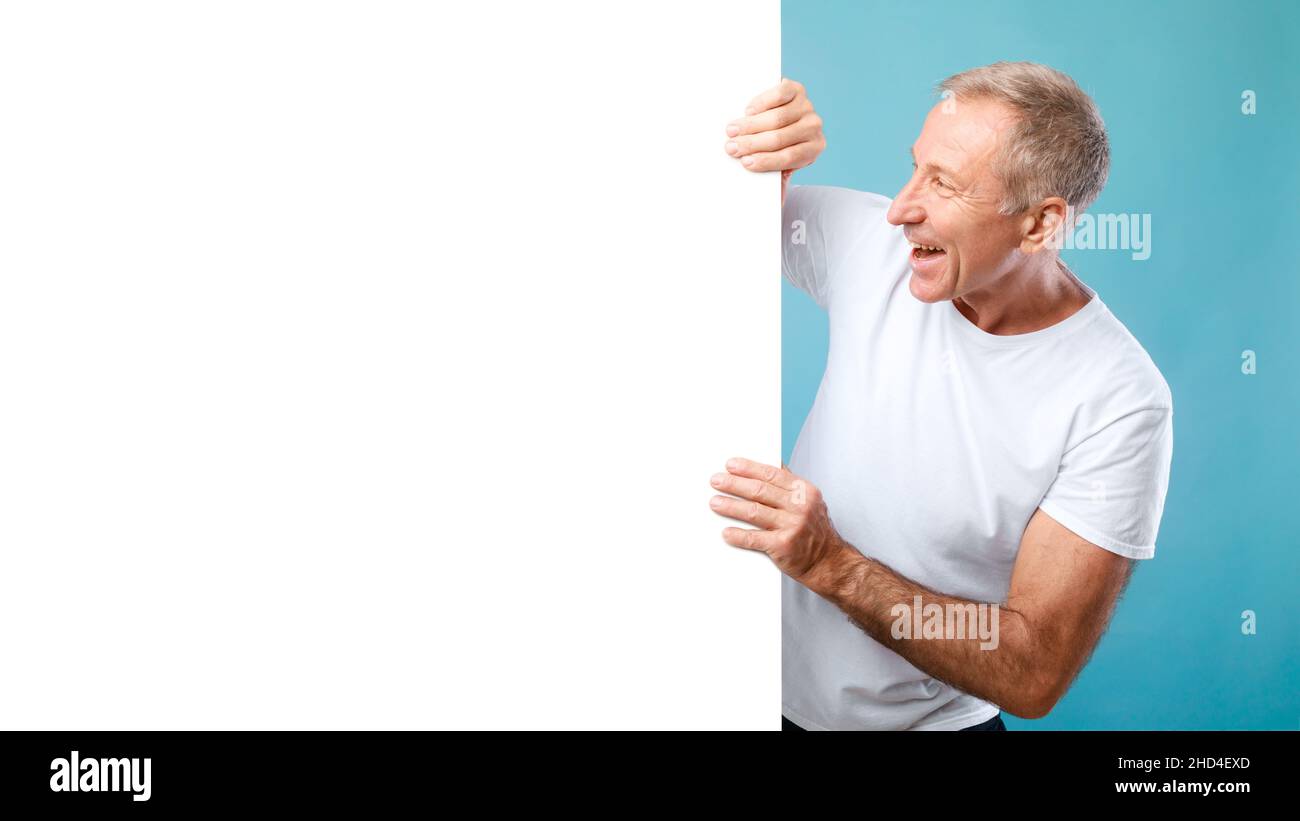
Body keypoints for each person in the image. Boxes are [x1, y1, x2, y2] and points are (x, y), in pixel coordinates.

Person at [710, 62, 1173, 731]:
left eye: (944, 184)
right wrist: (764, 156)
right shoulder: (880, 246)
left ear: (1041, 225)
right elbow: (668, 222)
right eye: (915, 168)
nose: (901, 208)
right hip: (750, 704)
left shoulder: (1120, 400)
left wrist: (829, 563)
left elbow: (1033, 669)